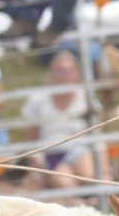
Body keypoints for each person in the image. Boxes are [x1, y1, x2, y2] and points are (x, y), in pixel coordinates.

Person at [20, 50, 108, 191]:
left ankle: (83, 199)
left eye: (69, 70)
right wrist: (35, 168)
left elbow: (98, 136)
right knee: (64, 183)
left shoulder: (87, 99)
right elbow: (32, 138)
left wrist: (105, 166)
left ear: (77, 73)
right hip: (53, 152)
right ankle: (79, 200)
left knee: (89, 174)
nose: (64, 75)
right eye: (59, 70)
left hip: (80, 149)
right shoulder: (37, 100)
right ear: (51, 72)